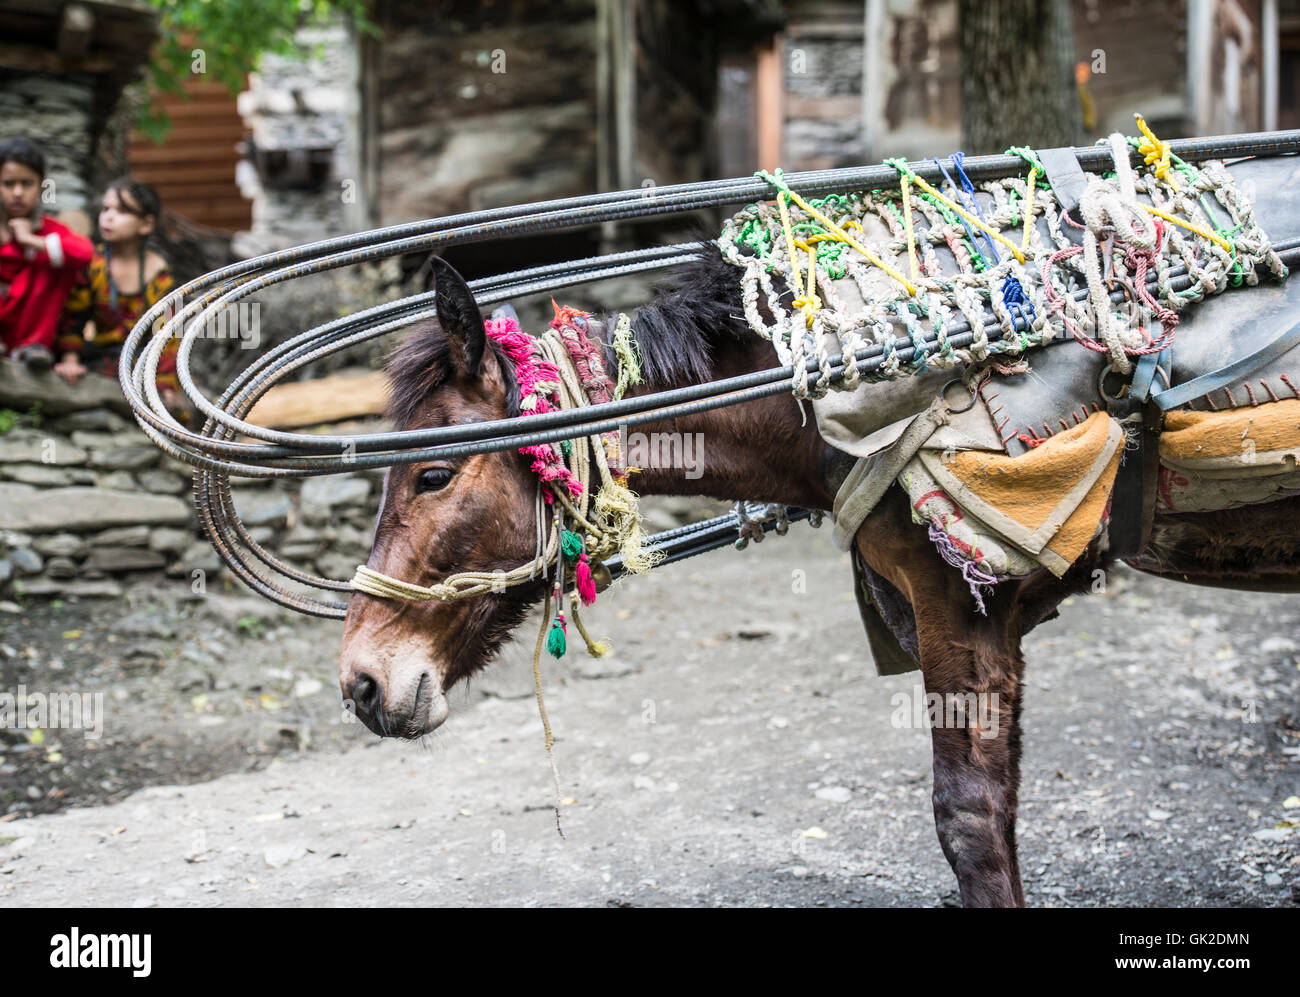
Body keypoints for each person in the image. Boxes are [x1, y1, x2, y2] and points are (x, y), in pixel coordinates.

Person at [59, 178, 182, 408]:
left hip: (142, 364)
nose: (109, 217)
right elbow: (73, 317)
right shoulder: (93, 265)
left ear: (146, 224)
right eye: (105, 209)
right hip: (99, 358)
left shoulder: (163, 279)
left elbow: (168, 338)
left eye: (122, 211)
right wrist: (70, 360)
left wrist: (165, 385)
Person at [0, 136, 94, 384]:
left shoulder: (49, 231)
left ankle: (32, 345)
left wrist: (31, 241)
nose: (18, 193)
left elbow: (84, 253)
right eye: (8, 184)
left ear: (42, 187)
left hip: (32, 341)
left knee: (58, 260)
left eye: (27, 183)